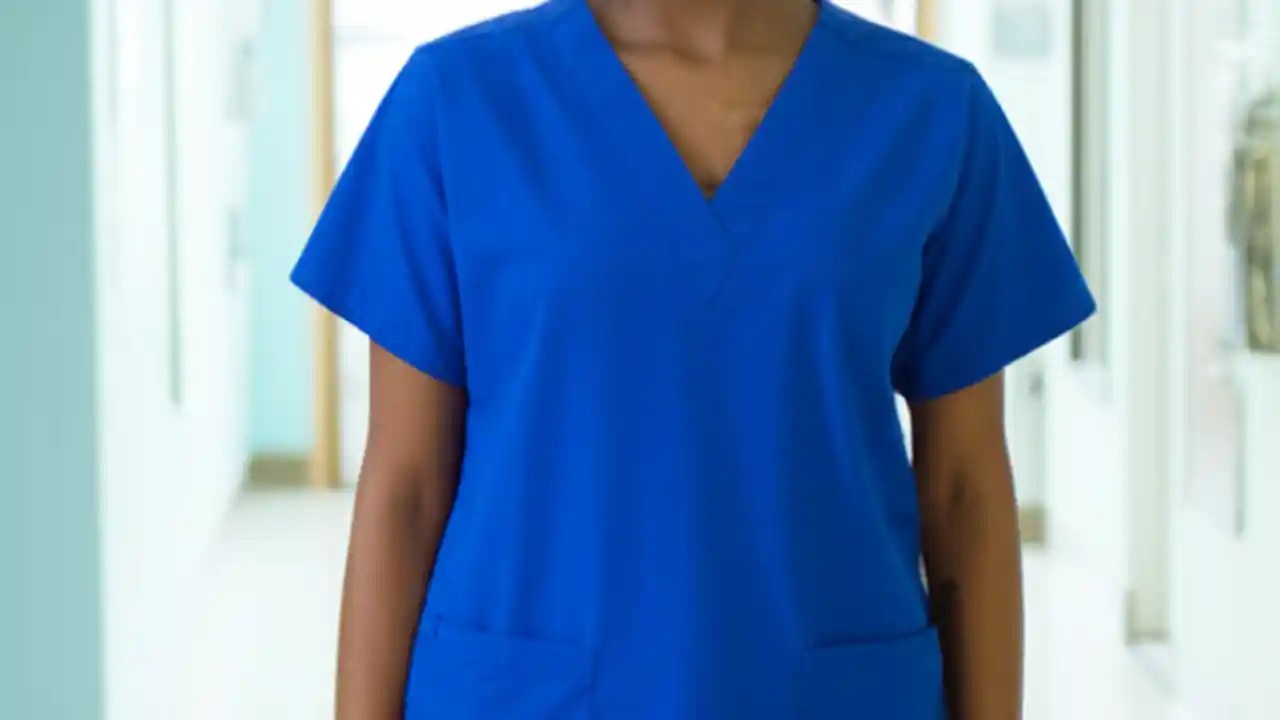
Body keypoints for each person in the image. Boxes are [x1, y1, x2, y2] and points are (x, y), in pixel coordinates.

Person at [291, 0, 1096, 717]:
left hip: (831, 689)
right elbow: (404, 488)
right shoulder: (458, 102)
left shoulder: (931, 115)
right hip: (526, 691)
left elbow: (964, 493)